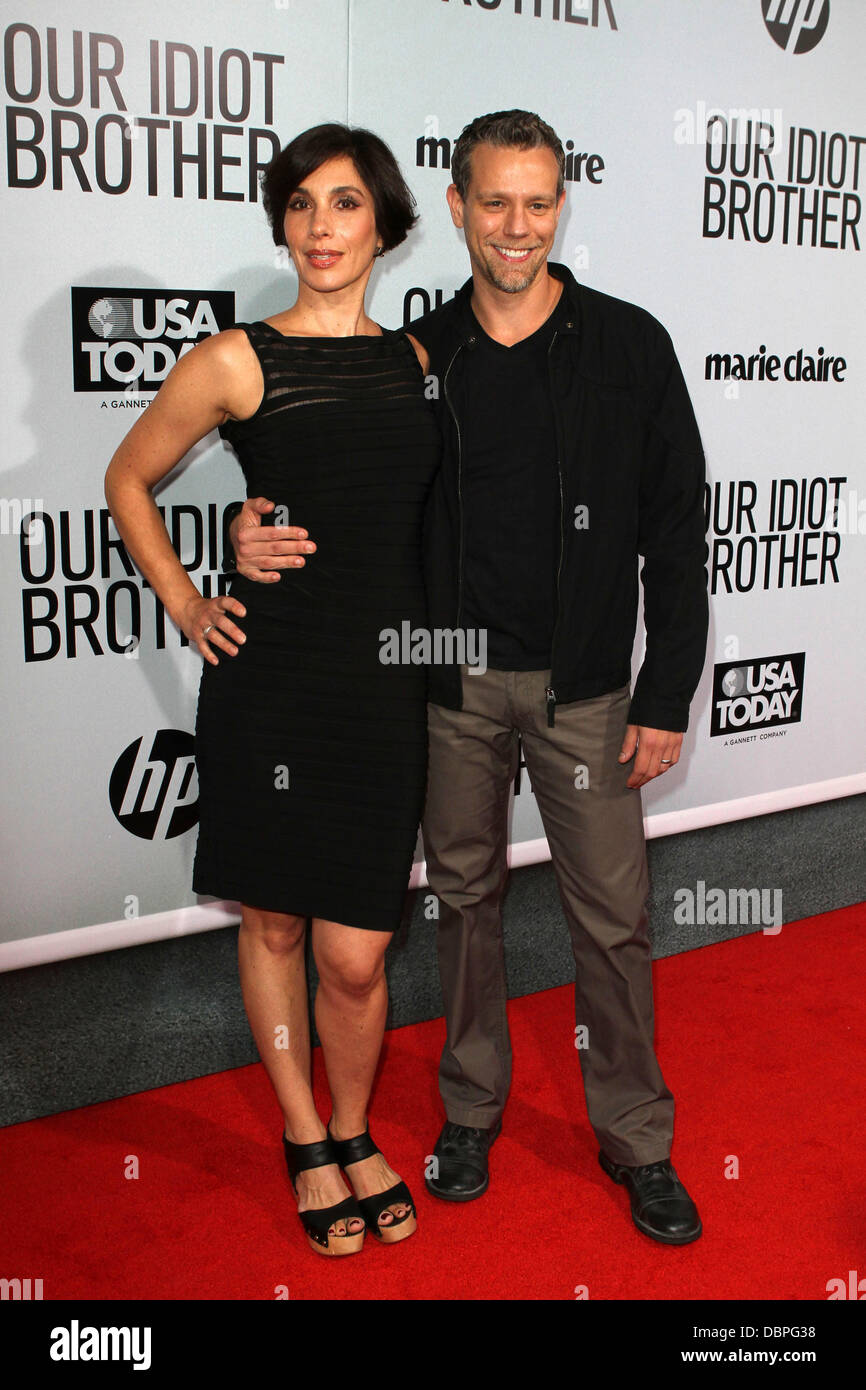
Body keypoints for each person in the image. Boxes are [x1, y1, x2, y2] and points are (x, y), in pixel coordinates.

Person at [225, 110, 710, 1246]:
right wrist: (246, 533)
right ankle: (468, 1113)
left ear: (560, 208)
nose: (515, 225)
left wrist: (663, 690)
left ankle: (636, 1138)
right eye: (493, 201)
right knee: (464, 910)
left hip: (586, 691)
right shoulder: (413, 358)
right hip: (445, 686)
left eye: (537, 202)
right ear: (454, 208)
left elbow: (674, 529)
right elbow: (334, 489)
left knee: (612, 921)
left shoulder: (629, 345)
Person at [104, 123, 441, 1257]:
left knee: (357, 950)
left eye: (343, 204)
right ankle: (308, 1138)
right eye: (299, 205)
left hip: (383, 686)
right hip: (276, 676)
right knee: (276, 917)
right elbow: (128, 476)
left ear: (384, 225)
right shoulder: (235, 358)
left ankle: (354, 1125)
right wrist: (195, 594)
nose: (319, 227)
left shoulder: (419, 361)